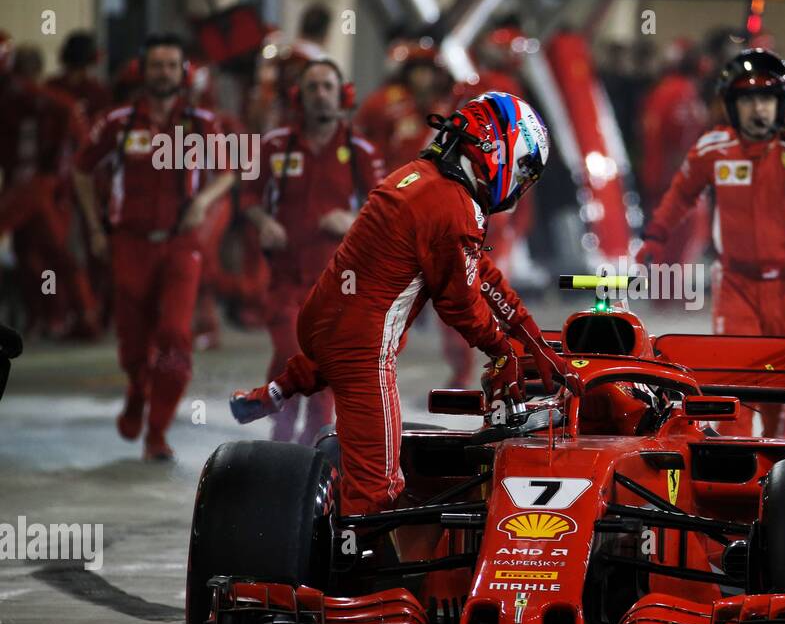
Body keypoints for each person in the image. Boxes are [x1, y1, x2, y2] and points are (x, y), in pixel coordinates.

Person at [229, 92, 566, 517]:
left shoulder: (419, 176)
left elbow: (482, 271)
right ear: (496, 149)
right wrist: (504, 350)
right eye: (523, 169)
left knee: (336, 349)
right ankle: (358, 573)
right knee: (381, 488)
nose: (522, 183)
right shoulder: (455, 207)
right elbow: (461, 305)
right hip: (361, 347)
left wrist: (530, 337)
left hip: (324, 319)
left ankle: (274, 393)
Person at [636, 48, 785, 437]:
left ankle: (776, 482)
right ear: (731, 105)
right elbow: (681, 194)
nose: (757, 109)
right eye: (747, 100)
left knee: (781, 399)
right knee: (732, 390)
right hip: (734, 286)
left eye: (766, 99)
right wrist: (655, 237)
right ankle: (730, 487)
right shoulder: (714, 148)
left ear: (781, 103)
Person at [73, 33, 234, 461]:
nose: (163, 72)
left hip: (181, 243)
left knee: (176, 335)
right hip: (130, 243)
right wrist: (94, 226)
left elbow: (229, 171)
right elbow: (82, 172)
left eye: (171, 65)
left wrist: (203, 201)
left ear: (182, 72)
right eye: (156, 64)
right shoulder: (118, 122)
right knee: (132, 341)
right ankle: (136, 388)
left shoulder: (201, 121)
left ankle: (157, 430)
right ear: (142, 71)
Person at [242, 58, 385, 444]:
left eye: (328, 87)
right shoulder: (274, 145)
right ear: (299, 97)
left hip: (338, 285)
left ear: (343, 96)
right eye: (312, 88)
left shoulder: (359, 150)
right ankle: (284, 431)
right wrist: (263, 222)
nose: (321, 96)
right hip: (286, 281)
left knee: (322, 368)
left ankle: (305, 445)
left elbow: (386, 208)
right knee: (296, 353)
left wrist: (352, 217)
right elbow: (249, 196)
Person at [0, 36, 98, 340]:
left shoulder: (29, 93)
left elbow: (71, 120)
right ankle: (55, 314)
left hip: (35, 185)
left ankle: (73, 315)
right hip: (39, 184)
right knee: (34, 252)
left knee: (51, 253)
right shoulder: (37, 94)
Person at [638, 38, 710, 270]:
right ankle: (670, 297)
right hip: (674, 184)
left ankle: (663, 296)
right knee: (681, 244)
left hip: (656, 178)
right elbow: (682, 140)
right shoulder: (683, 93)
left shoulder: (659, 91)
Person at [355, 38, 455, 172]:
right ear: (407, 73)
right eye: (417, 70)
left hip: (424, 178)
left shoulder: (445, 107)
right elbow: (358, 135)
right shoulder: (383, 101)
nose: (422, 76)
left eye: (427, 70)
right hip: (385, 178)